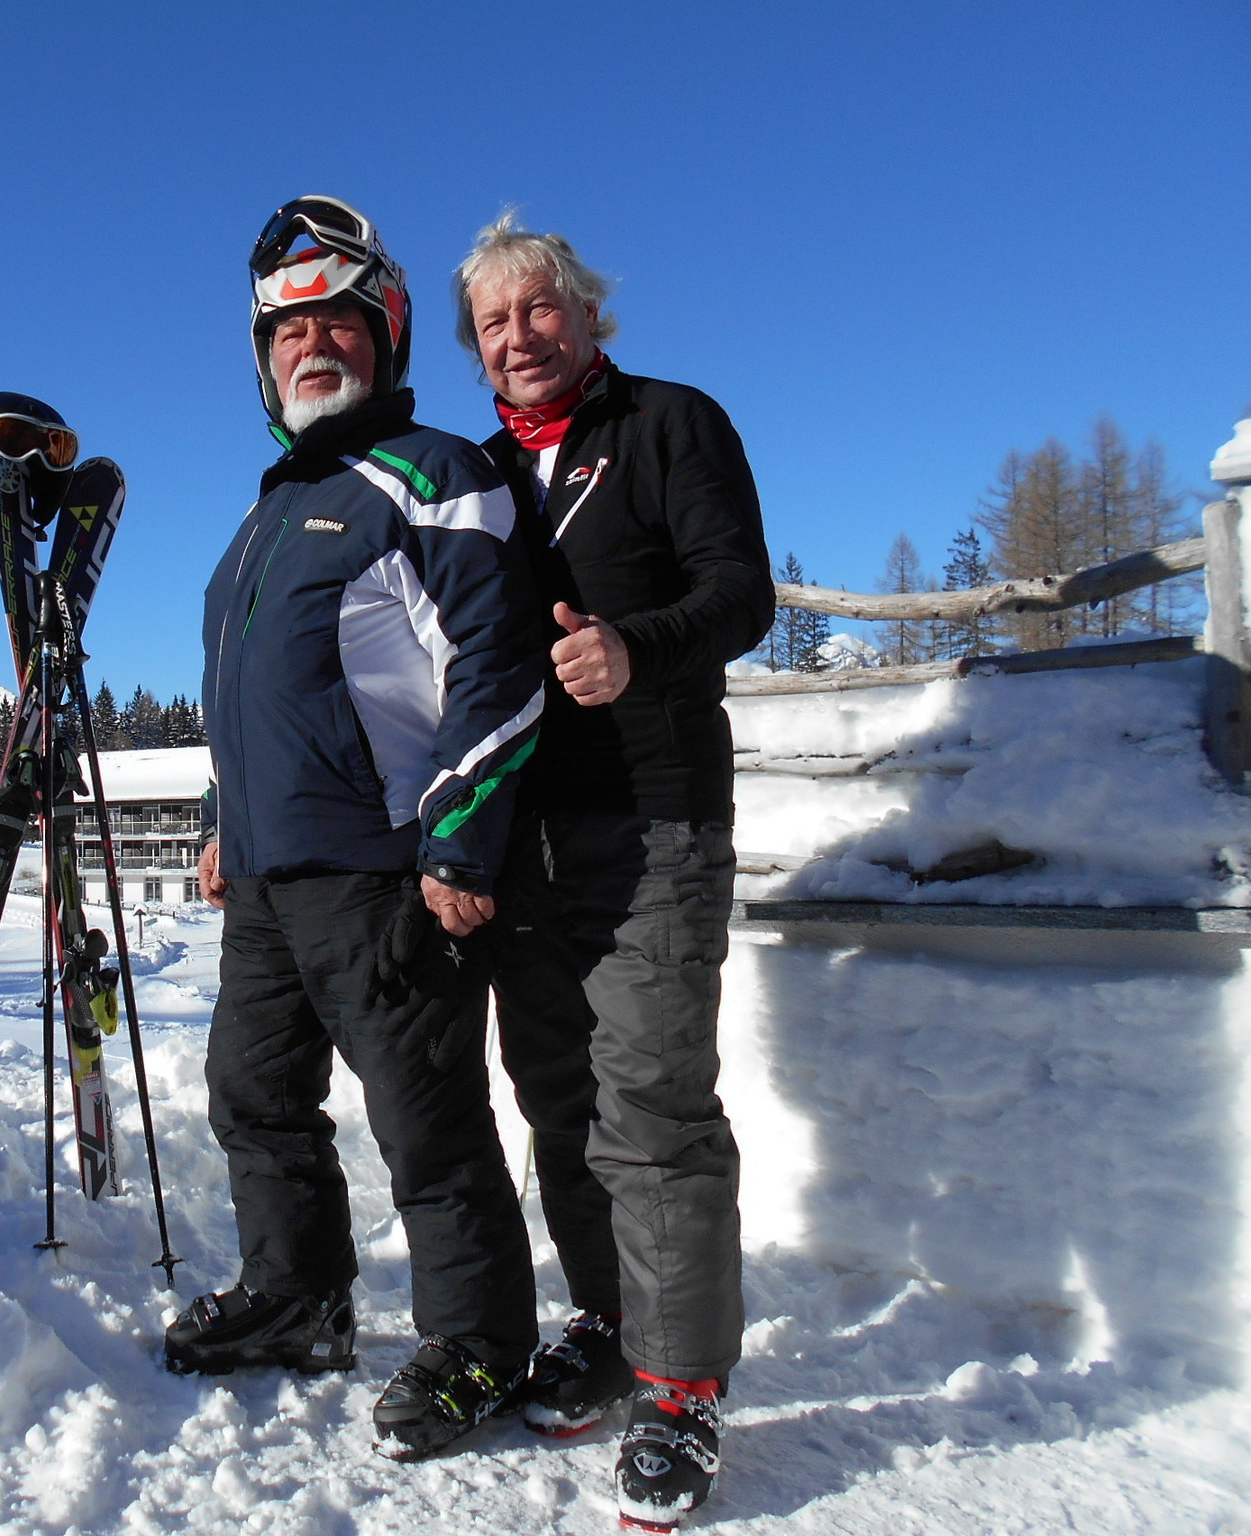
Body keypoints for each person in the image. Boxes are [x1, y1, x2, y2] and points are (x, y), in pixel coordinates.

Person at [164, 195, 547, 1461]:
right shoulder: (264, 516)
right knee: (252, 1095)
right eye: (286, 333)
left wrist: (461, 838)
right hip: (267, 883)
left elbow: (498, 665)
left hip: (388, 873)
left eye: (335, 323)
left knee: (424, 1120)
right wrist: (221, 820)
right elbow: (247, 700)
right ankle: (298, 1298)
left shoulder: (432, 476)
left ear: (384, 337)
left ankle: (480, 1344)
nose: (310, 346)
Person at [457, 210, 773, 1531]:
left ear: (587, 314)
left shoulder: (668, 424)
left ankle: (681, 1386)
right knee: (559, 1099)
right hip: (522, 836)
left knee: (651, 1102)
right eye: (493, 322)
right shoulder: (476, 476)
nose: (519, 336)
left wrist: (637, 648)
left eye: (539, 308)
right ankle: (606, 1316)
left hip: (654, 818)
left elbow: (741, 592)